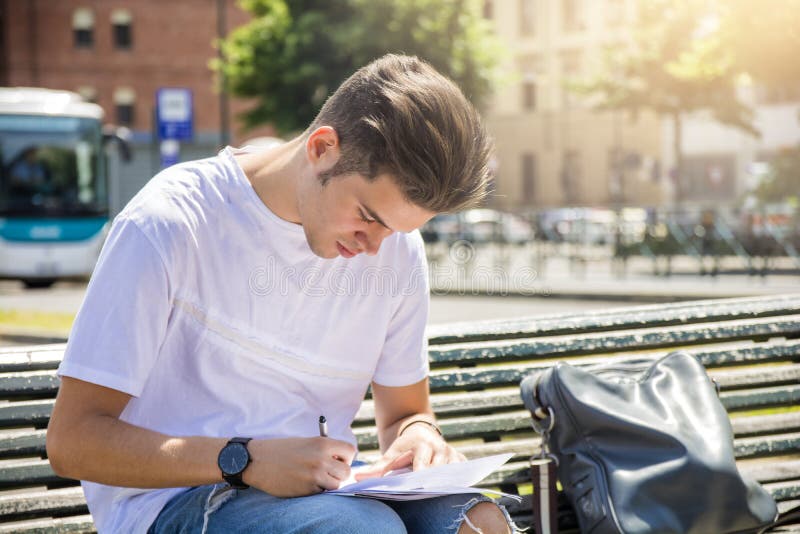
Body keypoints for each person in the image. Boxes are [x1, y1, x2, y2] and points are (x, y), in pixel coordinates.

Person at [46, 54, 517, 533]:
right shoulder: (170, 223)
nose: (375, 246)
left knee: (478, 523)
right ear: (323, 148)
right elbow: (73, 441)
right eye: (368, 217)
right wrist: (246, 460)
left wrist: (419, 435)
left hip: (328, 493)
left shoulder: (397, 252)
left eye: (397, 229)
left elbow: (406, 413)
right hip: (177, 500)